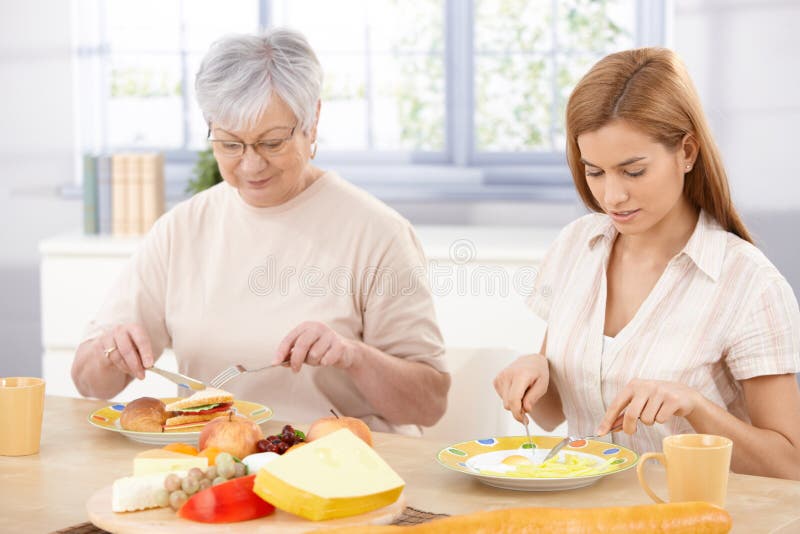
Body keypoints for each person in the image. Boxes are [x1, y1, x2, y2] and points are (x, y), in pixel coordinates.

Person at [72, 28, 450, 435]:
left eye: (271, 143)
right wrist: (112, 352)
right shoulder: (181, 229)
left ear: (312, 122)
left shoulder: (378, 234)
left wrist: (353, 356)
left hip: (339, 468)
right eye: (230, 145)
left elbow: (429, 405)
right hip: (218, 462)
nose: (251, 166)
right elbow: (87, 382)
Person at [493, 47, 800, 479]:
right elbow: (552, 415)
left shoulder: (749, 284)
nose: (611, 196)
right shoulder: (575, 247)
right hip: (589, 515)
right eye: (594, 172)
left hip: (698, 518)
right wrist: (534, 371)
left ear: (687, 152)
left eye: (633, 171)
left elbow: (789, 467)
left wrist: (695, 408)